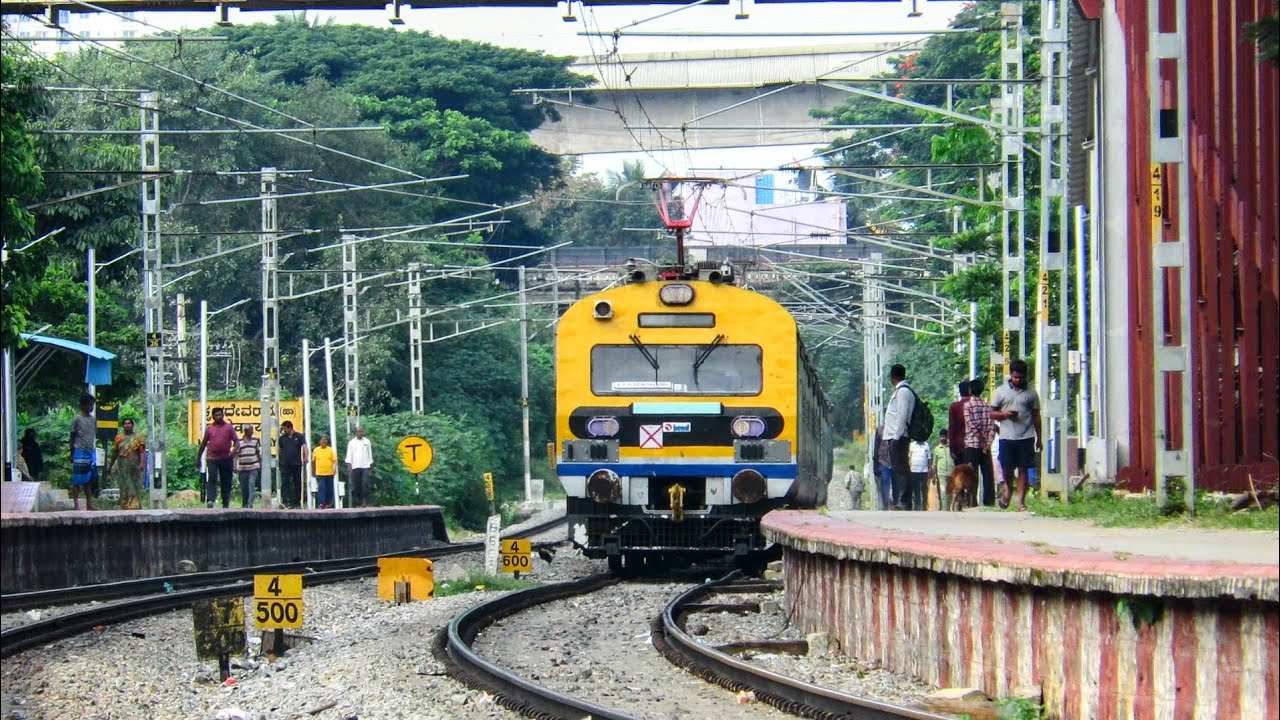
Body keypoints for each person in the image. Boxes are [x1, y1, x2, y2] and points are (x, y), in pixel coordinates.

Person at [991, 359, 1043, 512]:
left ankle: (1021, 501)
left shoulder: (1031, 393)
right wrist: (1004, 414)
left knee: (1023, 469)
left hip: (1026, 436)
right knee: (1007, 468)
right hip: (1007, 436)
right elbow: (991, 412)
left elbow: (1036, 416)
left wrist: (1039, 437)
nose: (1017, 380)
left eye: (1020, 377)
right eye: (1015, 377)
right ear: (1011, 375)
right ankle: (1008, 489)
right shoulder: (1001, 392)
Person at [881, 364, 915, 510]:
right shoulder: (901, 391)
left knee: (901, 469)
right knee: (899, 469)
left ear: (892, 377)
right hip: (897, 436)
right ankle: (902, 500)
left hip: (899, 436)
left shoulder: (902, 392)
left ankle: (905, 501)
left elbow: (902, 416)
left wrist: (896, 436)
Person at [963, 379, 998, 507]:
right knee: (987, 473)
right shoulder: (987, 406)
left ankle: (971, 501)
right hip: (985, 447)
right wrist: (987, 443)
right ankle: (989, 501)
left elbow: (971, 425)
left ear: (970, 390)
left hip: (972, 444)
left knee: (971, 473)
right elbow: (992, 427)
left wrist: (981, 440)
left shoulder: (967, 406)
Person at [196, 407, 240, 509]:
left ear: (223, 415)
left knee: (226, 481)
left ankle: (225, 502)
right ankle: (211, 500)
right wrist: (198, 458)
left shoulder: (229, 427)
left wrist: (233, 453)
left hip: (226, 458)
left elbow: (237, 442)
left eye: (220, 414)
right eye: (216, 415)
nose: (219, 416)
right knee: (212, 479)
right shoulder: (209, 429)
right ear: (213, 417)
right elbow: (203, 444)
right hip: (212, 458)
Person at [106, 418, 146, 509]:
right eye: (125, 423)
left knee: (134, 484)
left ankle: (135, 504)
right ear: (123, 426)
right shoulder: (119, 438)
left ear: (132, 425)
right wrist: (110, 465)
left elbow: (142, 452)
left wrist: (142, 463)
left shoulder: (138, 438)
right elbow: (115, 452)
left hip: (134, 465)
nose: (127, 425)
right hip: (122, 465)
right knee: (123, 484)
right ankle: (125, 504)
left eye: (129, 423)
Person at [68, 393, 98, 510]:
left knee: (89, 479)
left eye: (93, 405)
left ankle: (89, 504)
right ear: (83, 406)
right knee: (77, 479)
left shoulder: (93, 420)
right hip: (79, 451)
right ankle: (76, 504)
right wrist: (72, 452)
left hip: (90, 451)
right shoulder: (77, 419)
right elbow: (72, 436)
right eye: (90, 405)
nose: (92, 407)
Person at [276, 421, 308, 509]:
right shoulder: (282, 438)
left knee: (297, 482)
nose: (283, 430)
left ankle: (297, 502)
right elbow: (280, 450)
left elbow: (305, 447)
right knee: (285, 482)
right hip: (285, 464)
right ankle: (285, 501)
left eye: (285, 428)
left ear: (290, 428)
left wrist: (306, 457)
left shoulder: (299, 436)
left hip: (296, 464)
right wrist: (279, 460)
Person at [345, 426, 374, 508]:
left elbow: (370, 453)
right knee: (357, 484)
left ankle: (364, 500)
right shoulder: (351, 442)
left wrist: (371, 464)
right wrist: (349, 465)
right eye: (359, 431)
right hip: (355, 465)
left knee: (365, 483)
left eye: (362, 431)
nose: (361, 433)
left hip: (365, 465)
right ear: (356, 433)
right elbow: (349, 454)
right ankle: (357, 501)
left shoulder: (367, 441)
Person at [235, 426, 262, 509]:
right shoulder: (239, 442)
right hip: (243, 468)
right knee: (244, 487)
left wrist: (259, 463)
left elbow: (257, 452)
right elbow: (236, 455)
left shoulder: (255, 441)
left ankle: (250, 505)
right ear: (246, 431)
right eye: (251, 430)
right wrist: (235, 466)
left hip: (253, 467)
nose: (252, 432)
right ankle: (245, 503)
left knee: (251, 486)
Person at [930, 428, 956, 510]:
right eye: (941, 436)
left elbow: (956, 459)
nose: (943, 438)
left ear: (947, 437)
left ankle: (948, 508)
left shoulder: (951, 447)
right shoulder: (937, 449)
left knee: (950, 492)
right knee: (943, 491)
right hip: (941, 474)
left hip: (951, 474)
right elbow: (934, 464)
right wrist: (933, 476)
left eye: (944, 436)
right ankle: (944, 510)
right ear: (939, 437)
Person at [312, 435, 338, 508]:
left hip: (330, 473)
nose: (324, 441)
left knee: (329, 488)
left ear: (327, 442)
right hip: (320, 473)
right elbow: (313, 462)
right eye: (322, 440)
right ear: (319, 441)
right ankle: (321, 503)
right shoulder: (316, 450)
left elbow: (335, 461)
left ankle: (328, 504)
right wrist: (313, 471)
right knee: (321, 487)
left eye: (325, 440)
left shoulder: (330, 450)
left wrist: (335, 469)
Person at [947, 382, 969, 466]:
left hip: (958, 445)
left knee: (960, 472)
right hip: (973, 446)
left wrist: (951, 449)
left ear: (959, 391)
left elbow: (951, 428)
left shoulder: (954, 406)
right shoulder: (974, 405)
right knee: (971, 473)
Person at [907, 438, 930, 511]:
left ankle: (924, 506)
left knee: (924, 489)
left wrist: (929, 469)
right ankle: (917, 506)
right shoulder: (911, 445)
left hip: (924, 470)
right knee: (916, 490)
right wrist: (909, 468)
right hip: (914, 471)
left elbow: (929, 458)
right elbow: (909, 458)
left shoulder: (926, 445)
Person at [873, 426, 892, 510]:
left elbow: (875, 453)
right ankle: (886, 504)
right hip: (884, 463)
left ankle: (887, 504)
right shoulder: (880, 437)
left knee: (886, 484)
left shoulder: (881, 432)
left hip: (888, 463)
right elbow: (876, 452)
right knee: (886, 485)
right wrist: (875, 467)